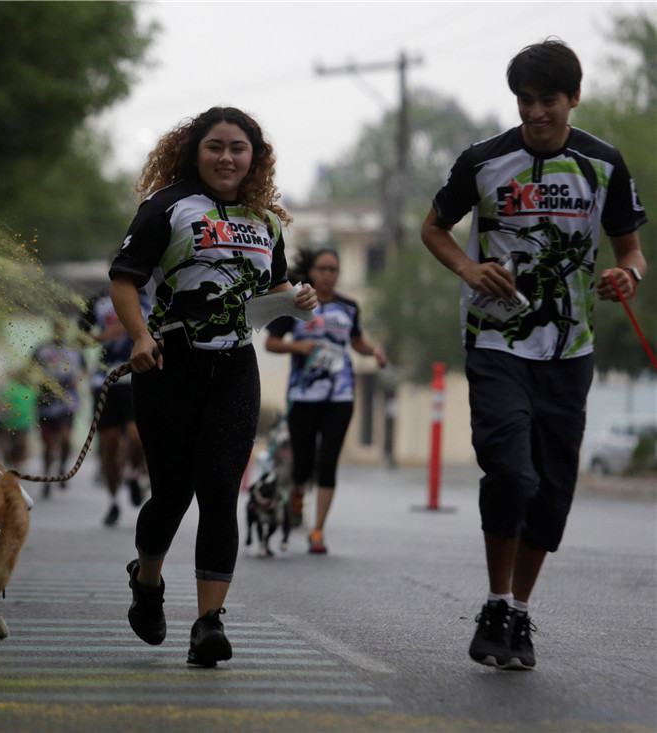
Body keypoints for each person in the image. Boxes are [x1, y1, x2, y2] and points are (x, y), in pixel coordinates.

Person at [420, 39, 647, 671]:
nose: (536, 112)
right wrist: (469, 268)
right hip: (497, 340)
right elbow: (432, 228)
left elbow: (630, 251)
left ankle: (518, 612)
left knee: (550, 491)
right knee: (512, 473)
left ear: (574, 98)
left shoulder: (602, 164)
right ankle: (495, 602)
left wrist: (628, 276)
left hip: (571, 346)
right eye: (525, 101)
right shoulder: (485, 160)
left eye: (548, 100)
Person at [109, 106, 317, 667]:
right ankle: (147, 581)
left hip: (234, 369)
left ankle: (207, 623)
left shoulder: (267, 221)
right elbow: (123, 279)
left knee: (223, 493)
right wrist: (139, 337)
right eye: (216, 147)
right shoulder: (168, 206)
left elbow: (272, 293)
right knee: (172, 495)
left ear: (255, 157)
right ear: (194, 152)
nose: (227, 158)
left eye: (239, 148)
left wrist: (296, 301)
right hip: (167, 365)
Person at [264, 247, 387, 555]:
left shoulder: (349, 307)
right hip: (303, 394)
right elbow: (272, 343)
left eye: (334, 270)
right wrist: (300, 348)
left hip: (340, 395)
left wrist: (374, 352)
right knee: (303, 463)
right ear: (311, 272)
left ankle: (317, 530)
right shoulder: (297, 304)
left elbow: (356, 341)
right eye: (323, 269)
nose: (328, 275)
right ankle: (296, 496)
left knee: (328, 462)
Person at [81, 286, 151, 526]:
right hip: (104, 378)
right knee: (109, 443)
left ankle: (133, 473)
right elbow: (81, 335)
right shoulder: (98, 300)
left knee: (136, 437)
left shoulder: (151, 294)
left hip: (137, 375)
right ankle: (113, 501)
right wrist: (96, 337)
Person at [31, 319, 87, 497]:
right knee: (47, 444)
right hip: (46, 398)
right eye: (57, 328)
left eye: (62, 328)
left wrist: (77, 379)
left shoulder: (74, 351)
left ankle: (62, 466)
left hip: (67, 398)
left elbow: (84, 370)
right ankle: (48, 477)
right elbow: (30, 368)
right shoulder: (42, 349)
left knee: (65, 438)